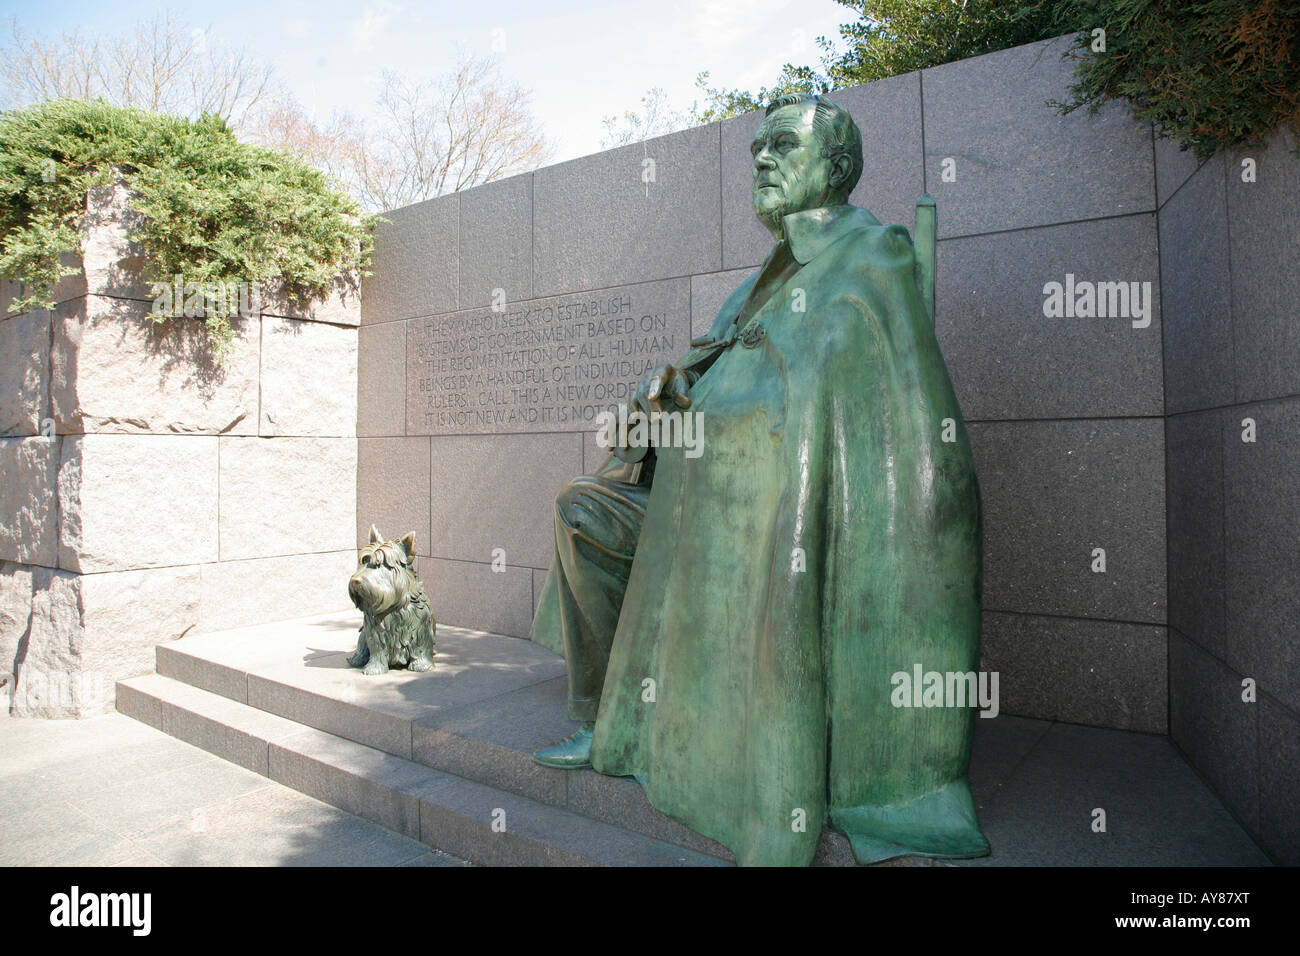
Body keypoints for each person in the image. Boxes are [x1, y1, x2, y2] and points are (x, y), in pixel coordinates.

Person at [528, 93, 989, 866]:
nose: (762, 160)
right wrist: (670, 388)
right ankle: (610, 715)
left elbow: (863, 402)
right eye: (755, 150)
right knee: (587, 511)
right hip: (694, 500)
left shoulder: (877, 254)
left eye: (782, 145)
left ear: (837, 167)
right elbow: (716, 362)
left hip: (794, 513)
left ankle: (755, 759)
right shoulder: (752, 286)